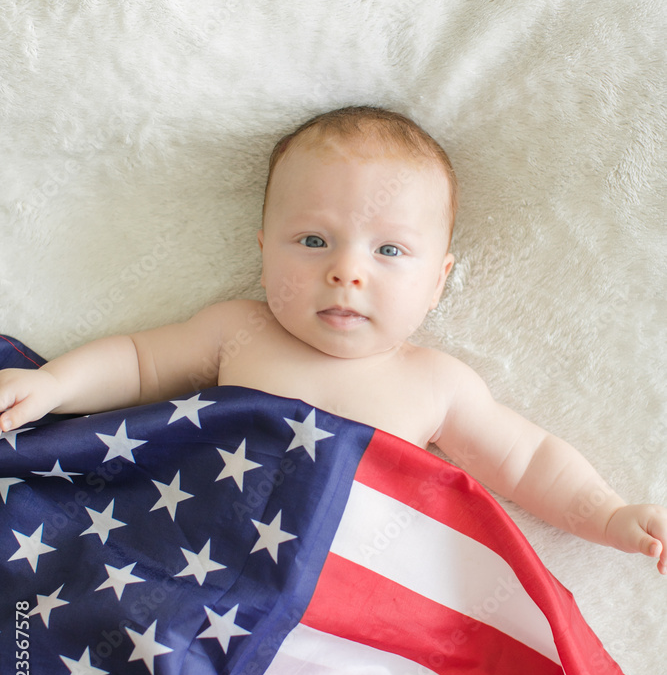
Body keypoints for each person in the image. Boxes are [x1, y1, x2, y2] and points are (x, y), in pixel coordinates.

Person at [1, 105, 665, 572]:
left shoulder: (432, 383)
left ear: (437, 282)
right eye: (312, 240)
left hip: (324, 594)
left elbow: (527, 463)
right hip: (180, 555)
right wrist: (55, 382)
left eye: (389, 250)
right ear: (264, 252)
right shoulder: (240, 330)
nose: (345, 269)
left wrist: (607, 515)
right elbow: (141, 362)